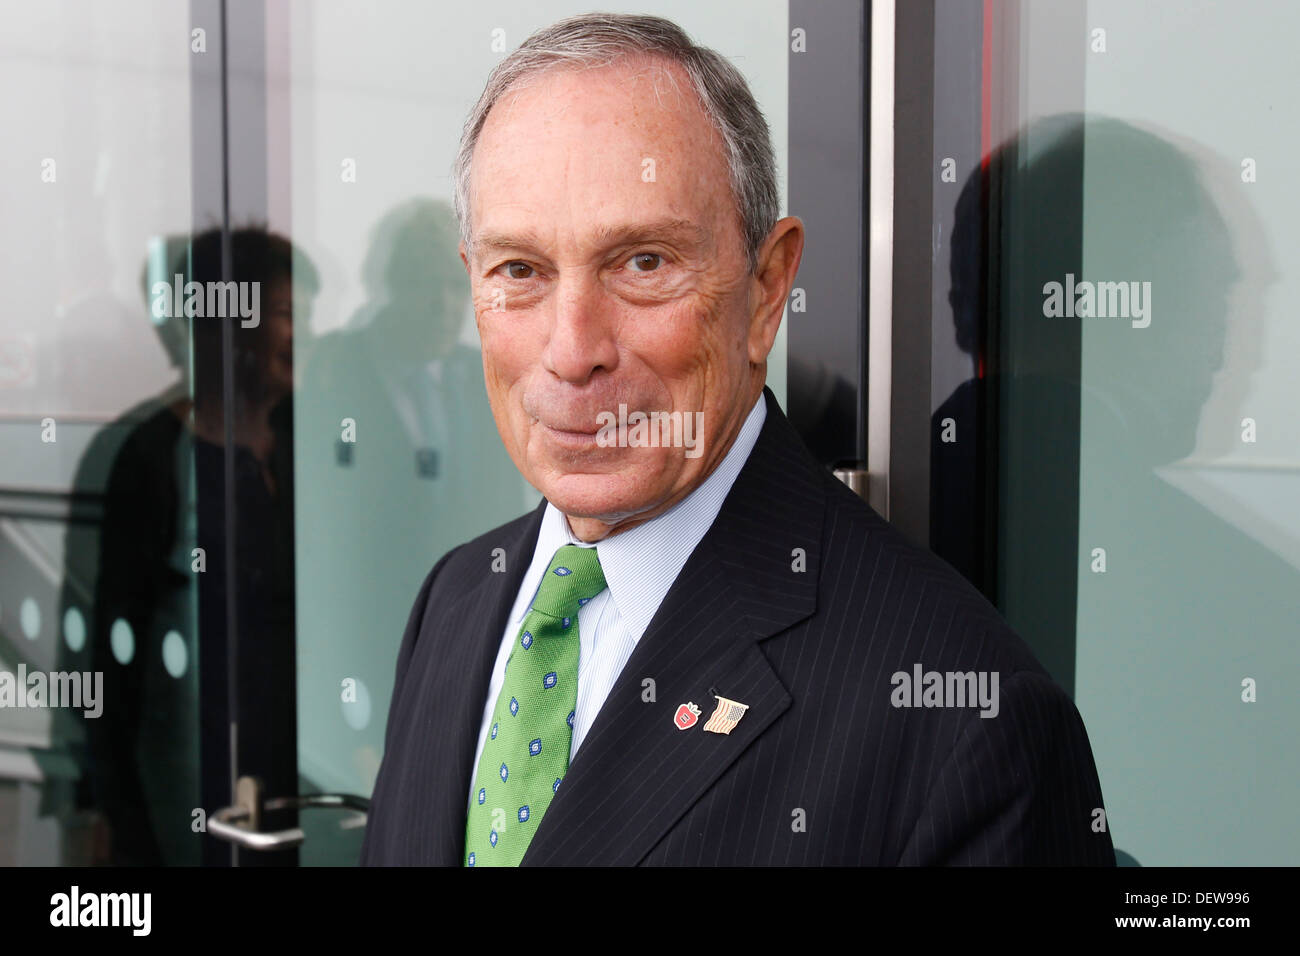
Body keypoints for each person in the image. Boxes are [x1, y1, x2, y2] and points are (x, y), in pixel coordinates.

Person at [361, 12, 1113, 867]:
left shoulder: (965, 723)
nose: (572, 351)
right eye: (520, 271)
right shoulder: (454, 600)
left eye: (642, 262)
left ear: (766, 288)